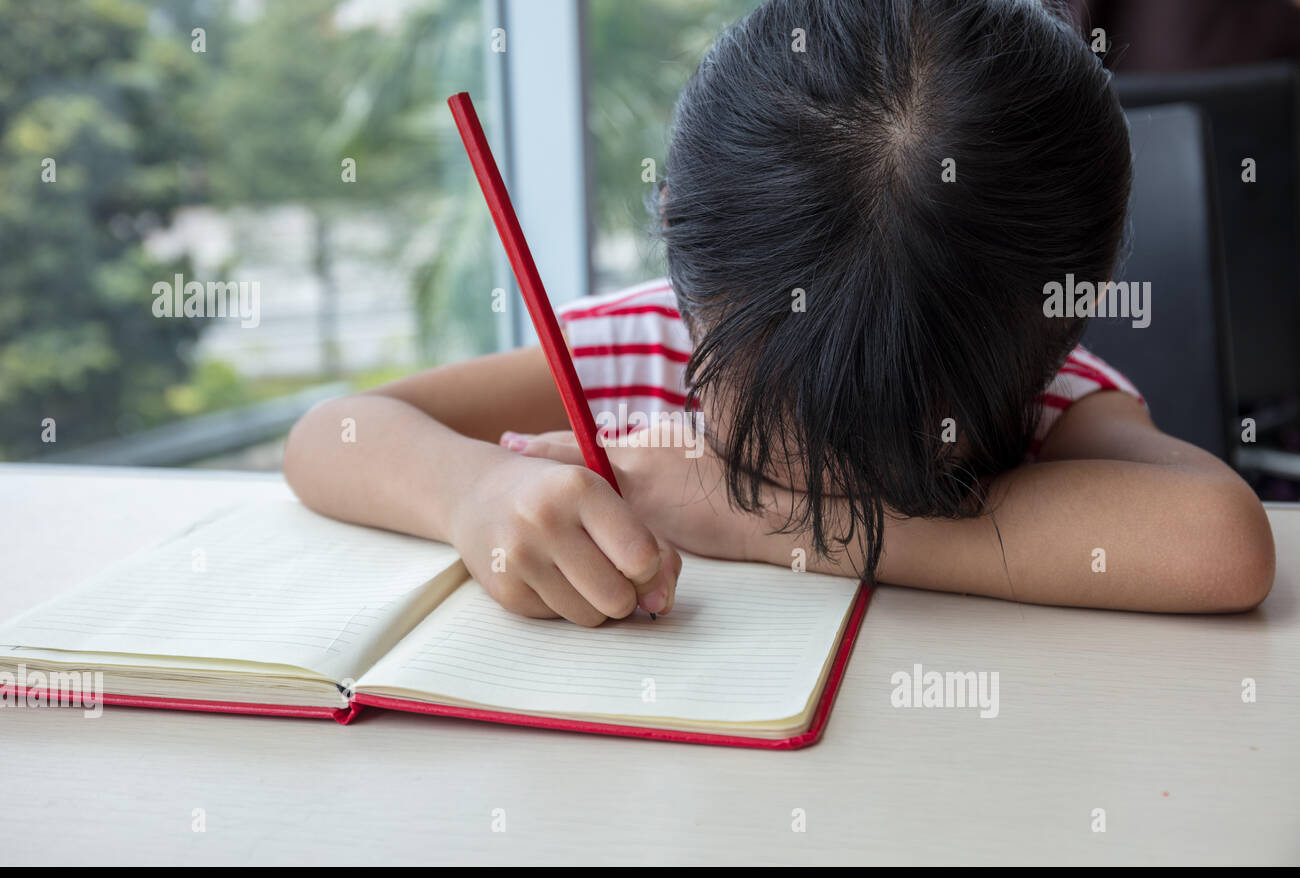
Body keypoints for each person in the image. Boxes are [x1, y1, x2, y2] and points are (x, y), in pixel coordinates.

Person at [285, 0, 1275, 624]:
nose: (802, 471)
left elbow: (1219, 544)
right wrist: (473, 493)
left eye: (873, 454)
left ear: (1063, 328)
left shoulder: (1057, 410)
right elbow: (329, 433)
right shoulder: (643, 342)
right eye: (763, 423)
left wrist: (753, 515)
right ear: (675, 241)